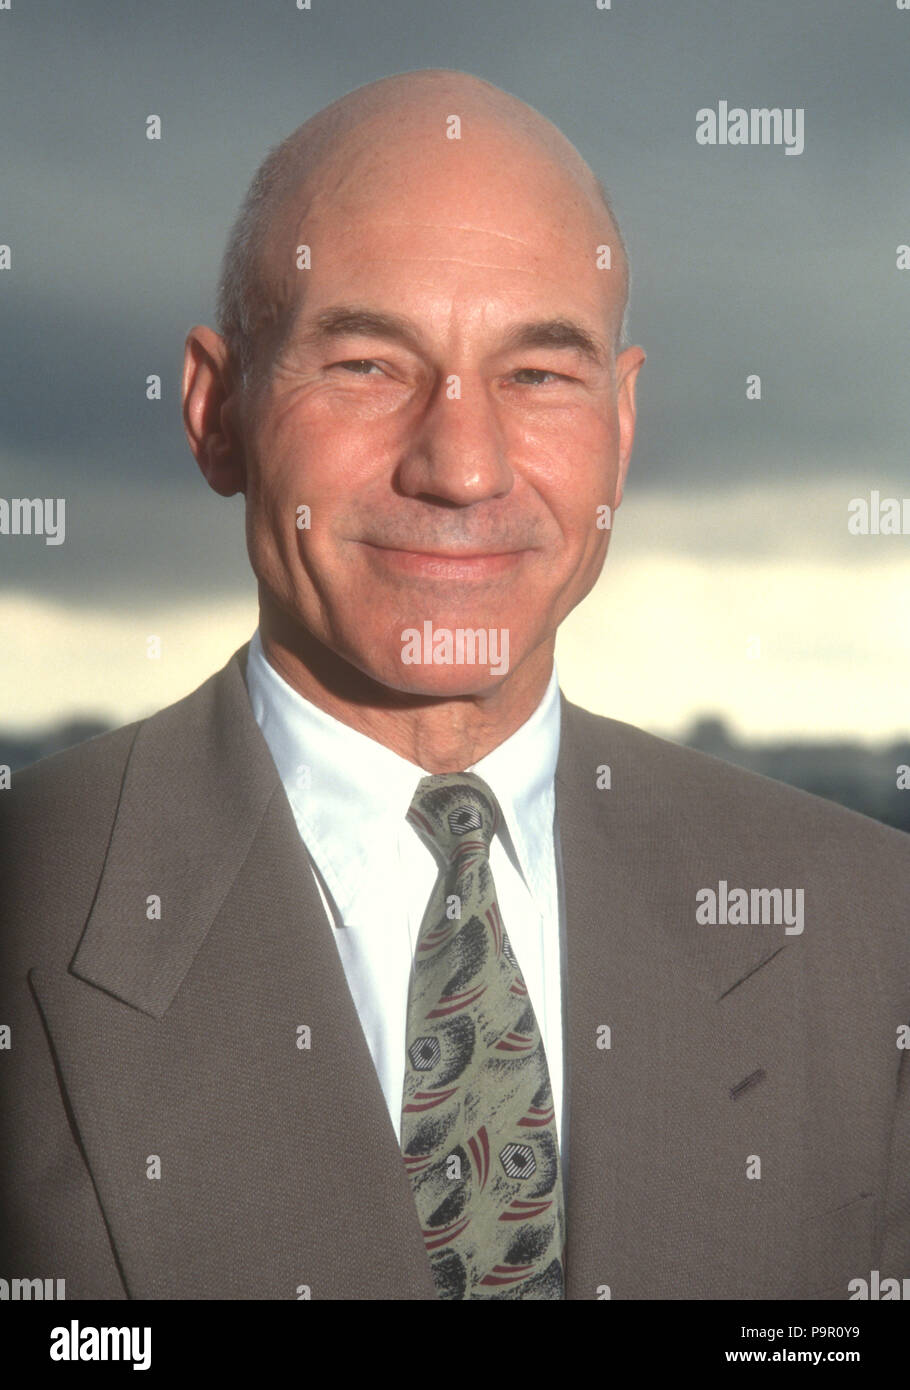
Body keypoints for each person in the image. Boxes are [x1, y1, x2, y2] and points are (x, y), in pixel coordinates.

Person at [1, 69, 907, 1302]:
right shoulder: (32, 898)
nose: (462, 465)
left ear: (622, 429)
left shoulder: (865, 930)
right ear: (216, 412)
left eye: (538, 375)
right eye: (370, 363)